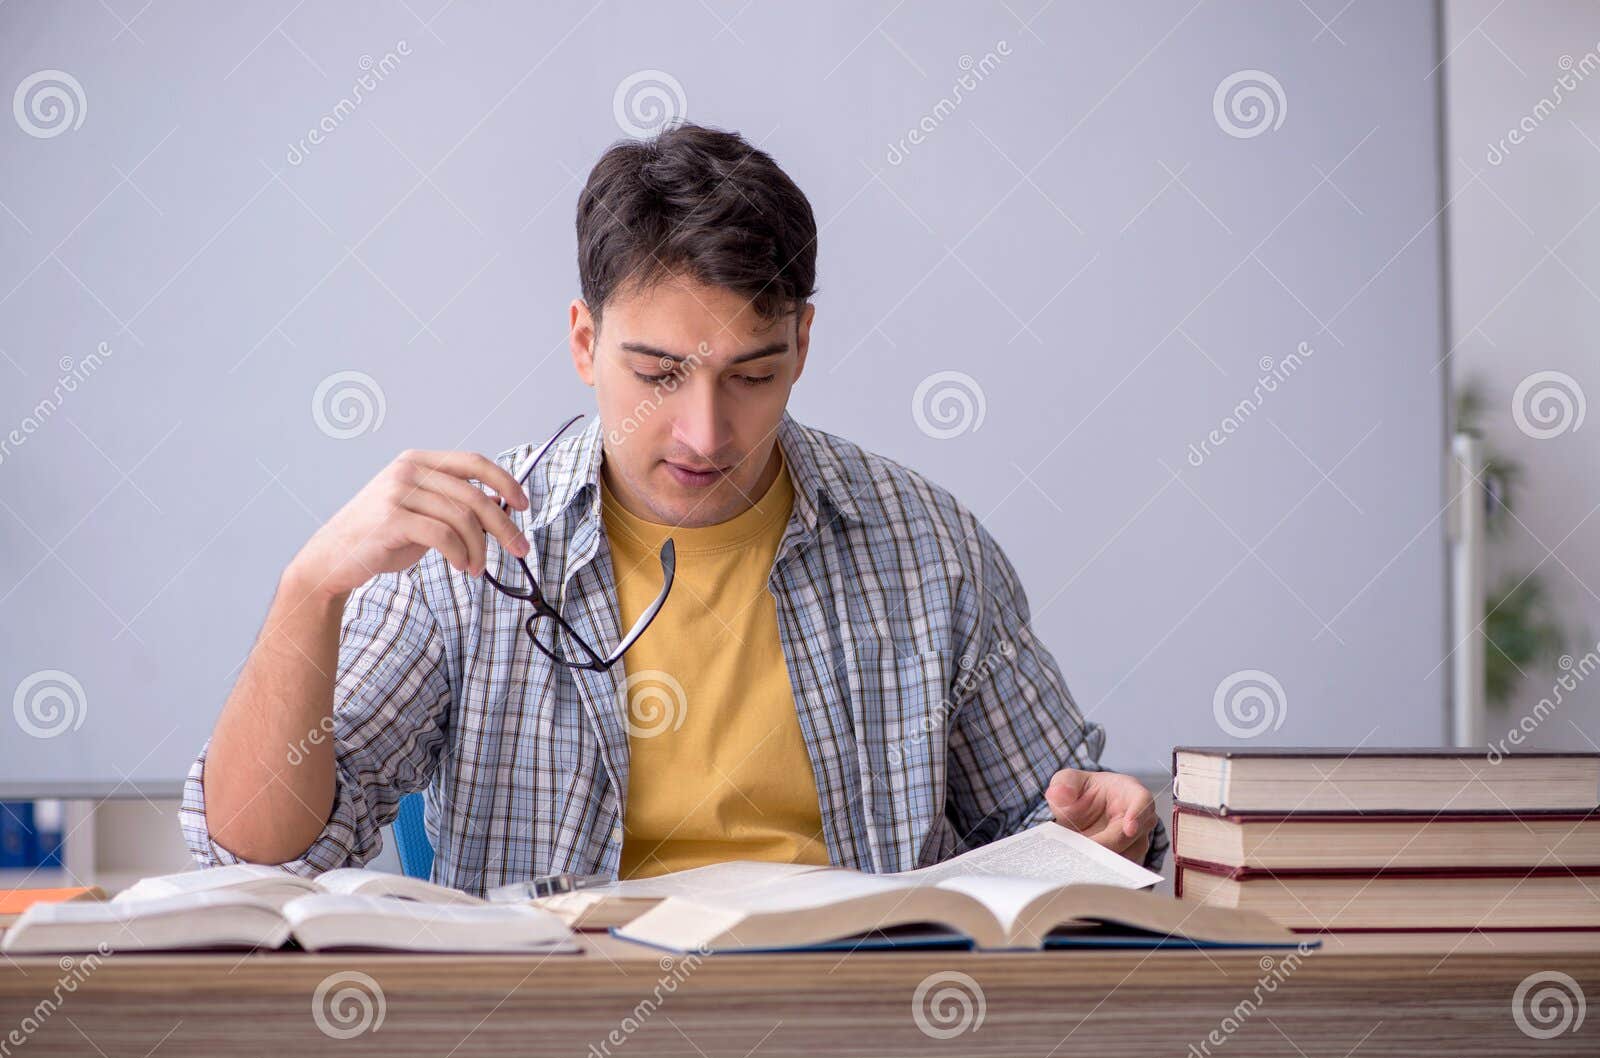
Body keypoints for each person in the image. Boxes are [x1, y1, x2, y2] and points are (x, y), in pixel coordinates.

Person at [180, 122, 1168, 891]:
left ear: (804, 347)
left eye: (752, 374)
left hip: (855, 1051)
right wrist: (308, 589)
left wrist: (1104, 832)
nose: (704, 432)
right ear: (583, 342)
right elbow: (260, 861)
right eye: (657, 373)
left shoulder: (928, 549)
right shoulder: (469, 548)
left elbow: (1051, 832)